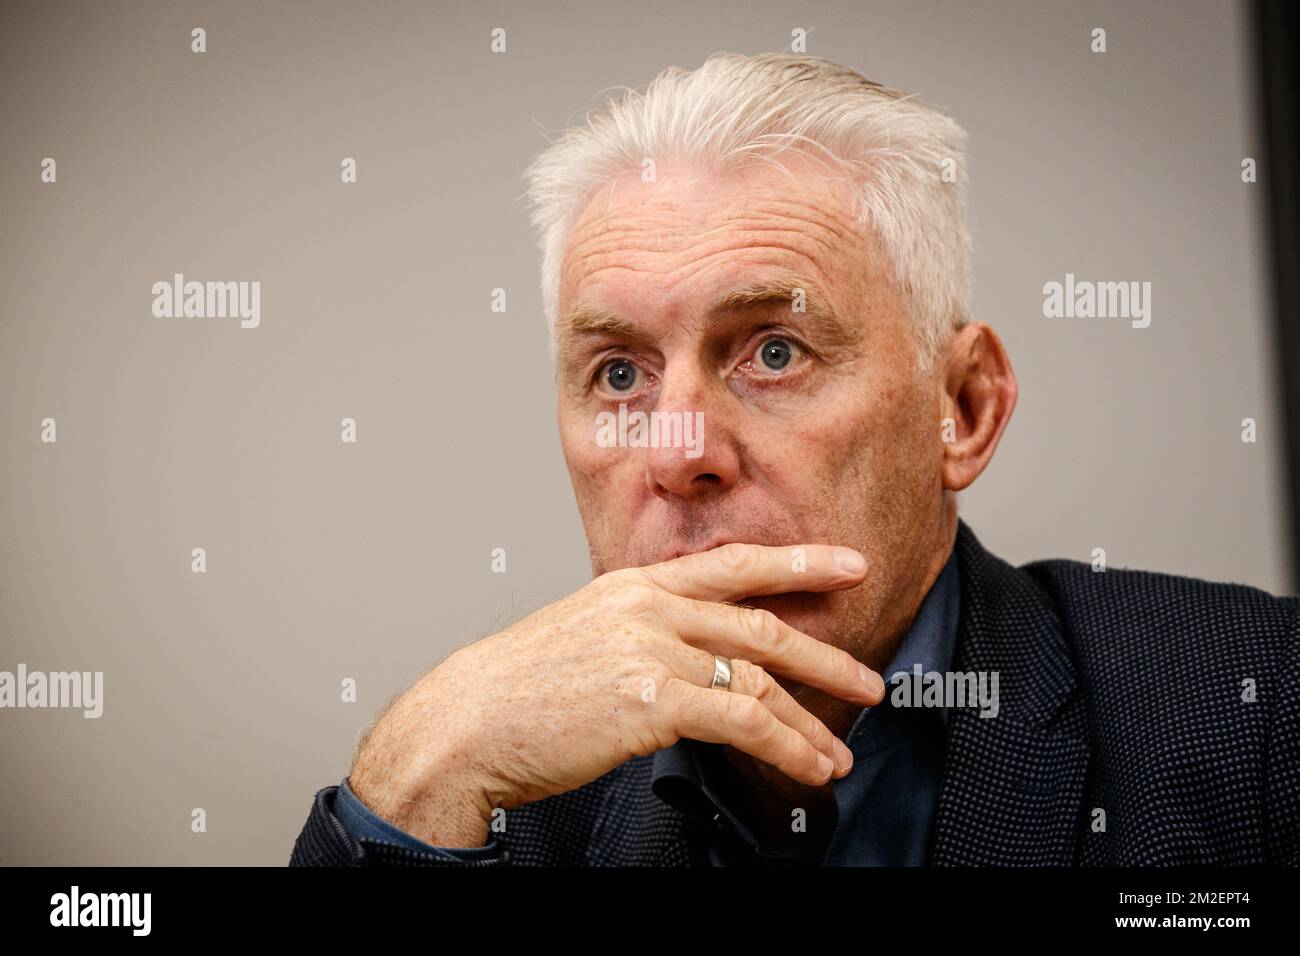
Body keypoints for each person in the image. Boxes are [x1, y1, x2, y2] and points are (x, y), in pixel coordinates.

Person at [289, 52, 1299, 867]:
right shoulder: (486, 808)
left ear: (963, 407)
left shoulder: (1256, 709)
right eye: (619, 375)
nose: (679, 454)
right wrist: (416, 772)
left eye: (775, 351)